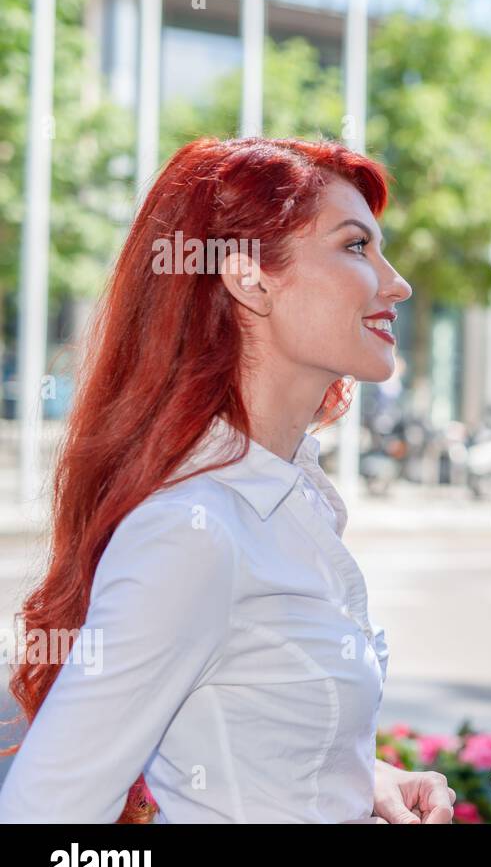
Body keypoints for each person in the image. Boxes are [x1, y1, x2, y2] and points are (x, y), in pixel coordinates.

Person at [0, 138, 455, 824]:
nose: (397, 282)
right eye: (357, 246)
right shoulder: (194, 532)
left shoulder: (288, 495)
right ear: (249, 278)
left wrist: (358, 779)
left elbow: (244, 725)